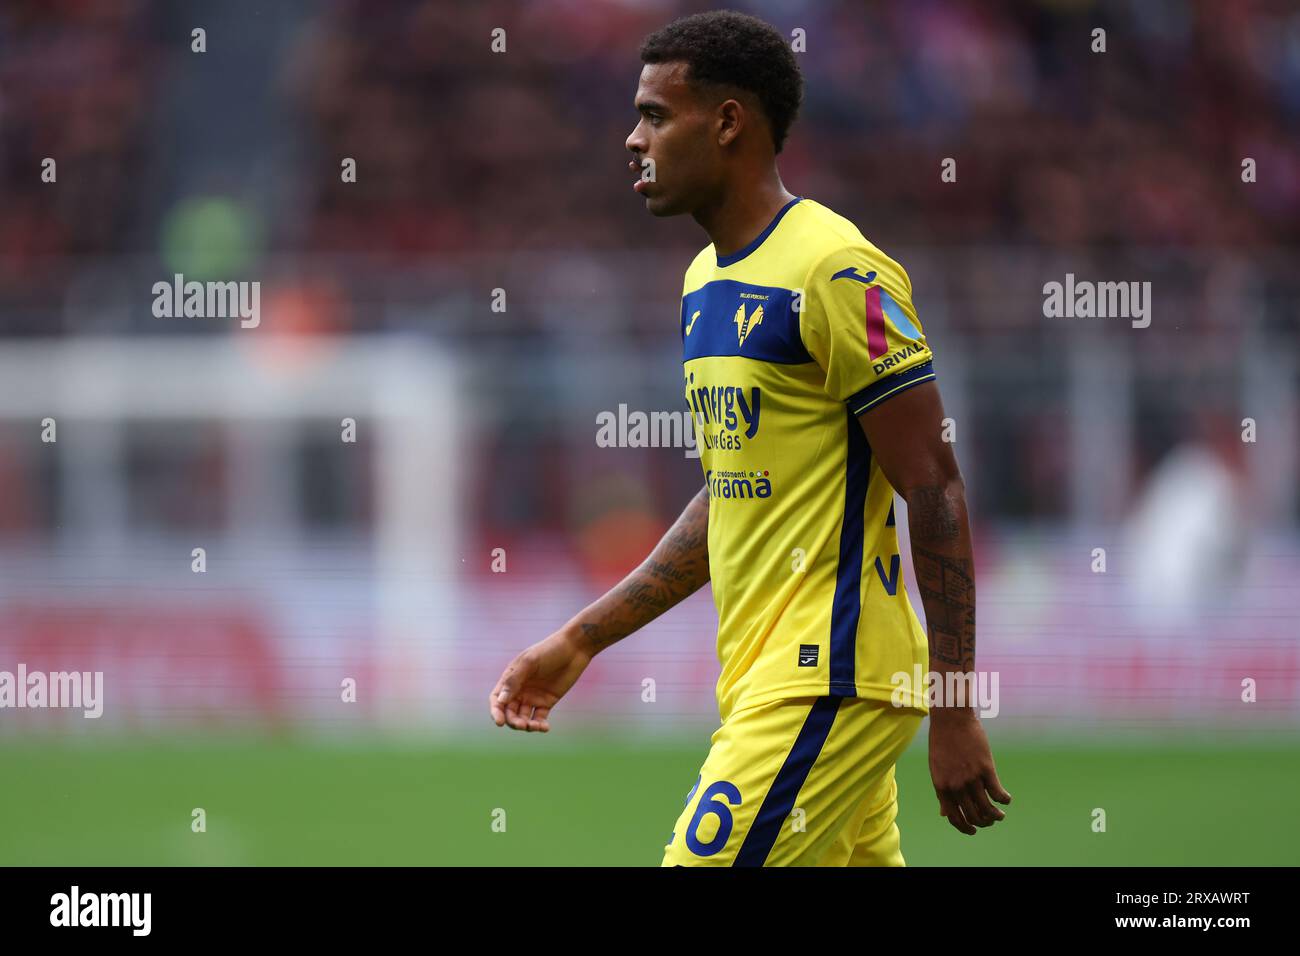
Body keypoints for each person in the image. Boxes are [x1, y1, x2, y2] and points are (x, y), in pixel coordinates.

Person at [490, 9, 1010, 866]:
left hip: (832, 676)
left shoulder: (835, 269)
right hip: (765, 677)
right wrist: (585, 636)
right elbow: (735, 490)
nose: (633, 138)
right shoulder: (704, 281)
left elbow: (934, 481)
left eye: (656, 115)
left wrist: (954, 705)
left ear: (728, 122)